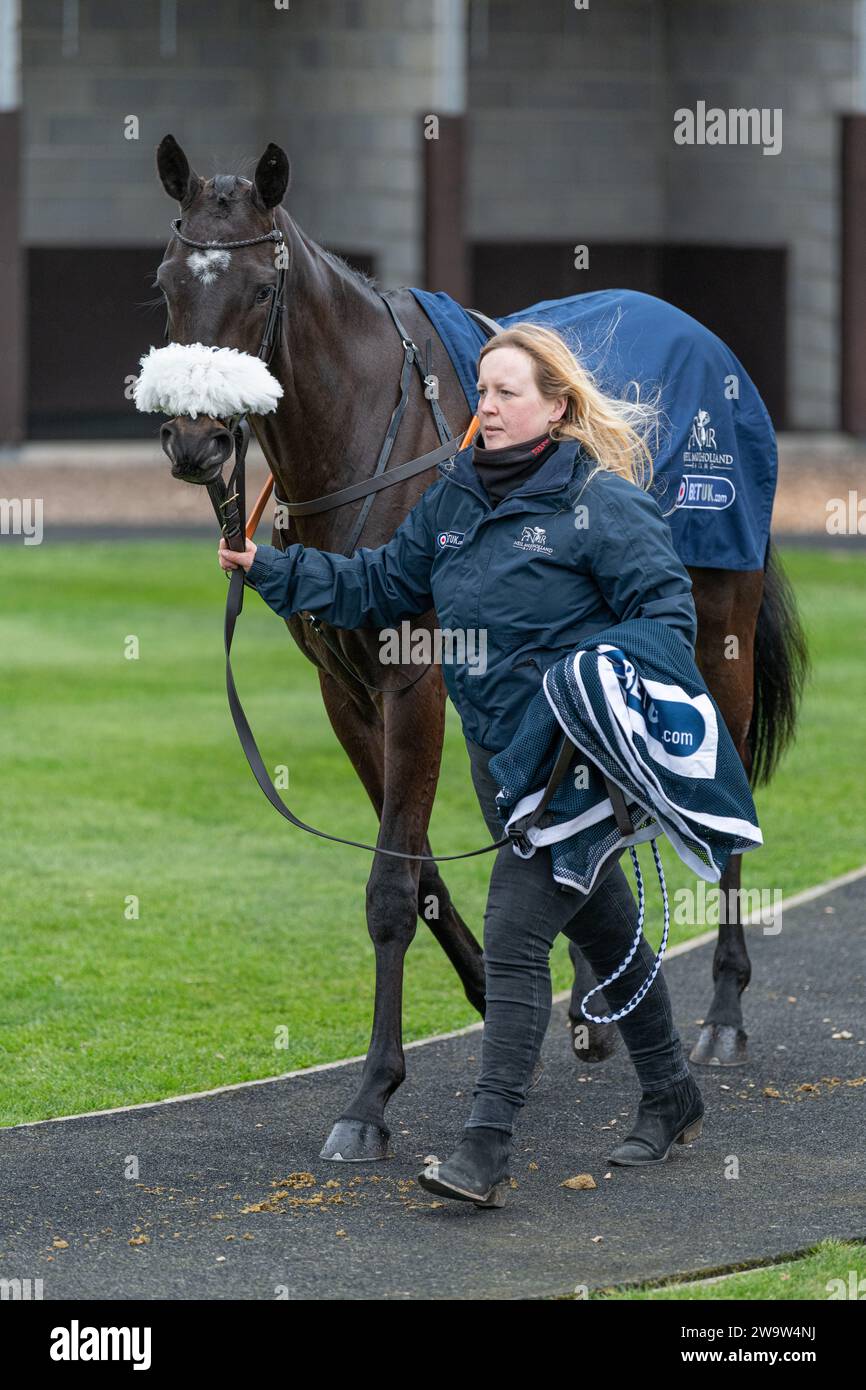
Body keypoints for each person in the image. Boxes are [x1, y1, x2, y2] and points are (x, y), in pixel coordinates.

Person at [218, 323, 705, 1208]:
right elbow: (374, 588)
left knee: (515, 947)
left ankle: (484, 1149)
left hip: (579, 773)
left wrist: (592, 689)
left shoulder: (600, 503)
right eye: (481, 390)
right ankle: (672, 1094)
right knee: (606, 932)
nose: (487, 405)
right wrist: (271, 571)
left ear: (555, 406)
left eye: (507, 391)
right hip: (503, 777)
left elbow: (667, 621)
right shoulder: (452, 502)